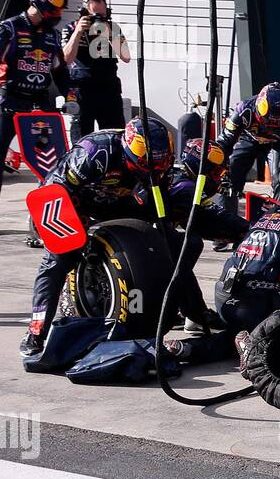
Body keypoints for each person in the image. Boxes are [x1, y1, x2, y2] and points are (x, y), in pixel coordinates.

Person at [21, 117, 175, 358]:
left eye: (160, 159)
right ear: (130, 146)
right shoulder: (95, 152)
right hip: (73, 202)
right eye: (147, 159)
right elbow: (53, 190)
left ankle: (185, 311)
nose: (153, 165)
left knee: (171, 243)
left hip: (117, 202)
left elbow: (162, 200)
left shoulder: (160, 165)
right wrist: (73, 226)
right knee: (57, 262)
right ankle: (36, 331)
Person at [167, 170, 280, 365]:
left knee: (239, 332)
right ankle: (256, 346)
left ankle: (189, 349)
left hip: (224, 297)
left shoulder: (270, 214)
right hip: (255, 302)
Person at [0, 0, 74, 235]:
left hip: (38, 103)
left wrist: (70, 96)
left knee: (50, 159)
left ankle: (44, 214)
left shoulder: (51, 35)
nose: (58, 17)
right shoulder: (7, 29)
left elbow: (59, 69)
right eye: (54, 12)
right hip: (7, 101)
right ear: (38, 5)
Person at [159, 138, 250, 335]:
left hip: (150, 235)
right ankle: (193, 313)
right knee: (189, 246)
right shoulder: (185, 187)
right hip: (140, 243)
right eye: (216, 172)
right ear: (200, 167)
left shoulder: (180, 180)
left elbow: (207, 224)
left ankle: (191, 312)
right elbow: (215, 215)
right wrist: (250, 228)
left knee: (188, 244)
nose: (219, 178)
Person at [215, 82, 280, 209]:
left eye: (277, 122)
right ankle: (224, 217)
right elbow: (224, 141)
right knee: (230, 176)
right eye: (268, 121)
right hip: (248, 139)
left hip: (276, 144)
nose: (271, 125)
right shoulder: (243, 110)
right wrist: (221, 167)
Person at [61, 0, 131, 139]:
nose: (98, 20)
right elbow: (65, 60)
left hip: (109, 89)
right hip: (82, 90)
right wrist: (78, 33)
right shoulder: (71, 29)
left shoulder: (112, 28)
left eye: (103, 15)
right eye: (94, 16)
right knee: (81, 138)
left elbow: (126, 56)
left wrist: (109, 35)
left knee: (116, 136)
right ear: (83, 14)